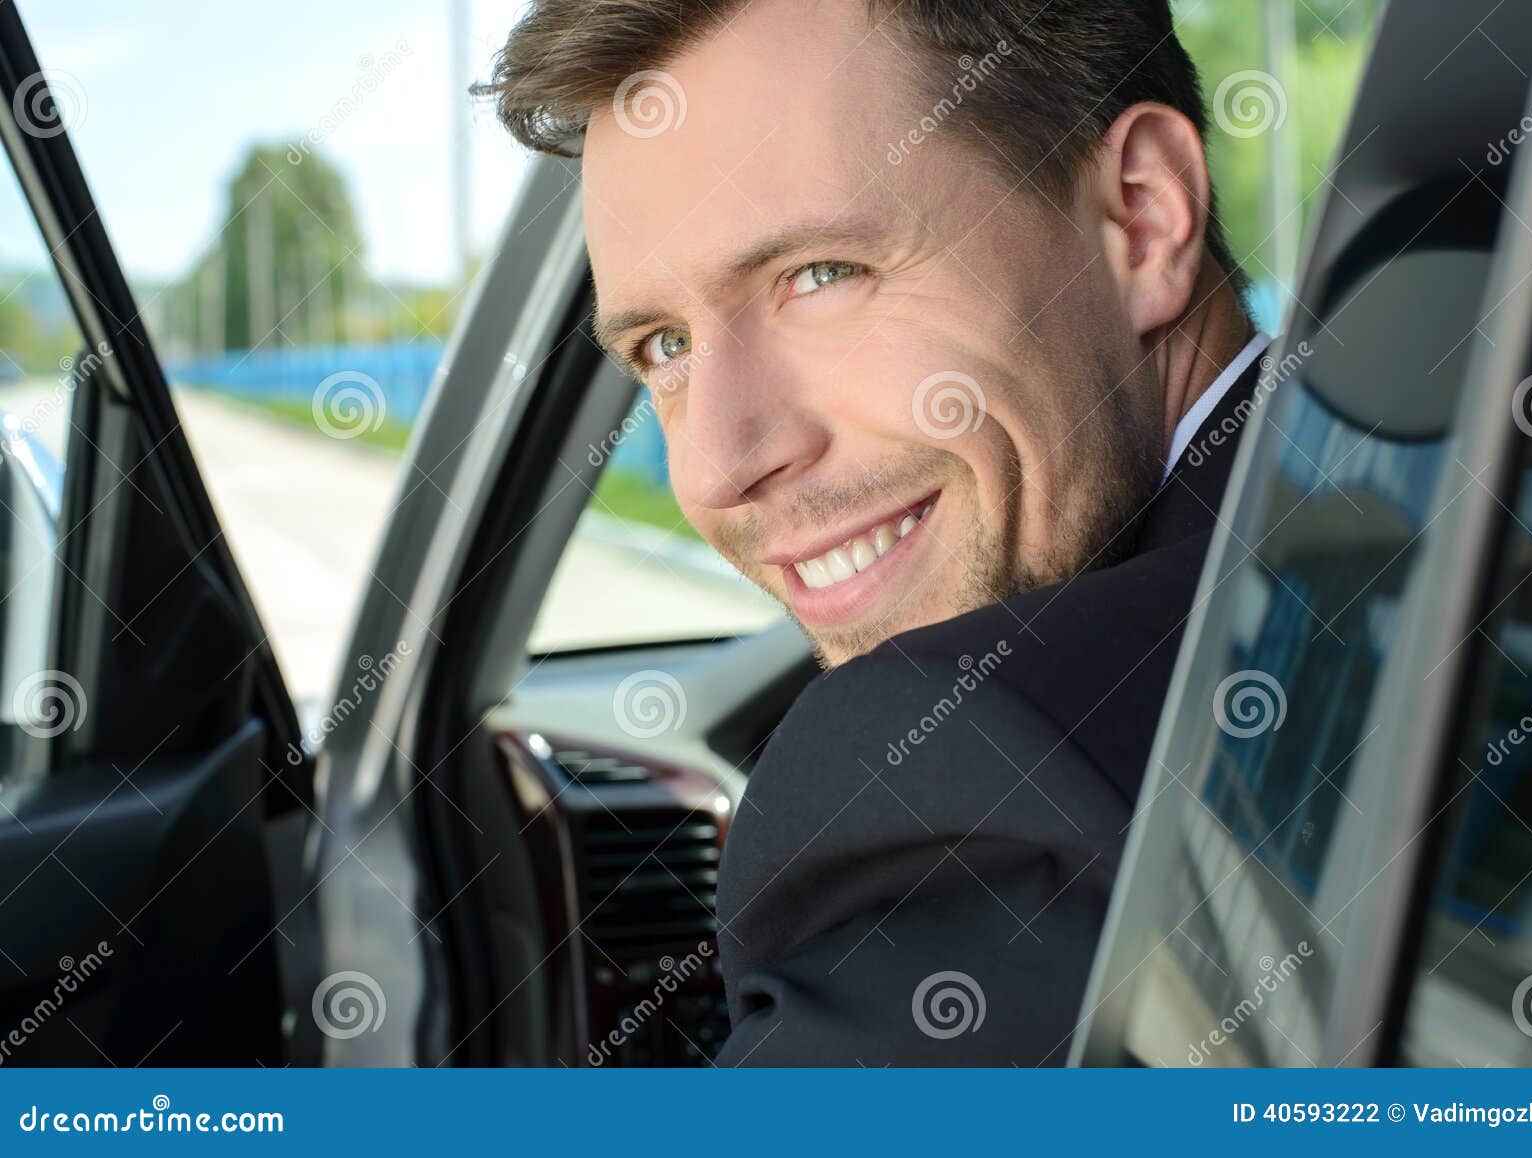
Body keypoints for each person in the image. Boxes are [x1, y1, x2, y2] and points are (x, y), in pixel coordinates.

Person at [485, 0, 1271, 1064]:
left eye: (819, 276)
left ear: (1137, 216)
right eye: (664, 346)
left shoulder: (975, 783)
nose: (719, 466)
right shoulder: (1416, 510)